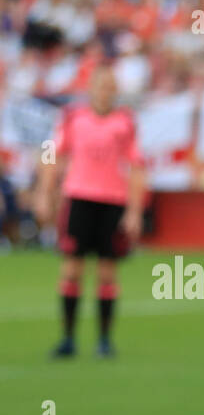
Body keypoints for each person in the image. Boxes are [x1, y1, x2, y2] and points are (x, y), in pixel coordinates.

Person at [35, 67, 145, 359]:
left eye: (110, 86)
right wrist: (45, 193)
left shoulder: (125, 122)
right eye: (100, 86)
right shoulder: (74, 118)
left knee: (107, 272)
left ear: (115, 90)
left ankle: (105, 340)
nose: (105, 91)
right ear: (90, 88)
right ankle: (68, 338)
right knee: (72, 268)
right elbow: (53, 154)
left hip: (112, 201)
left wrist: (134, 211)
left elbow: (136, 167)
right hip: (79, 198)